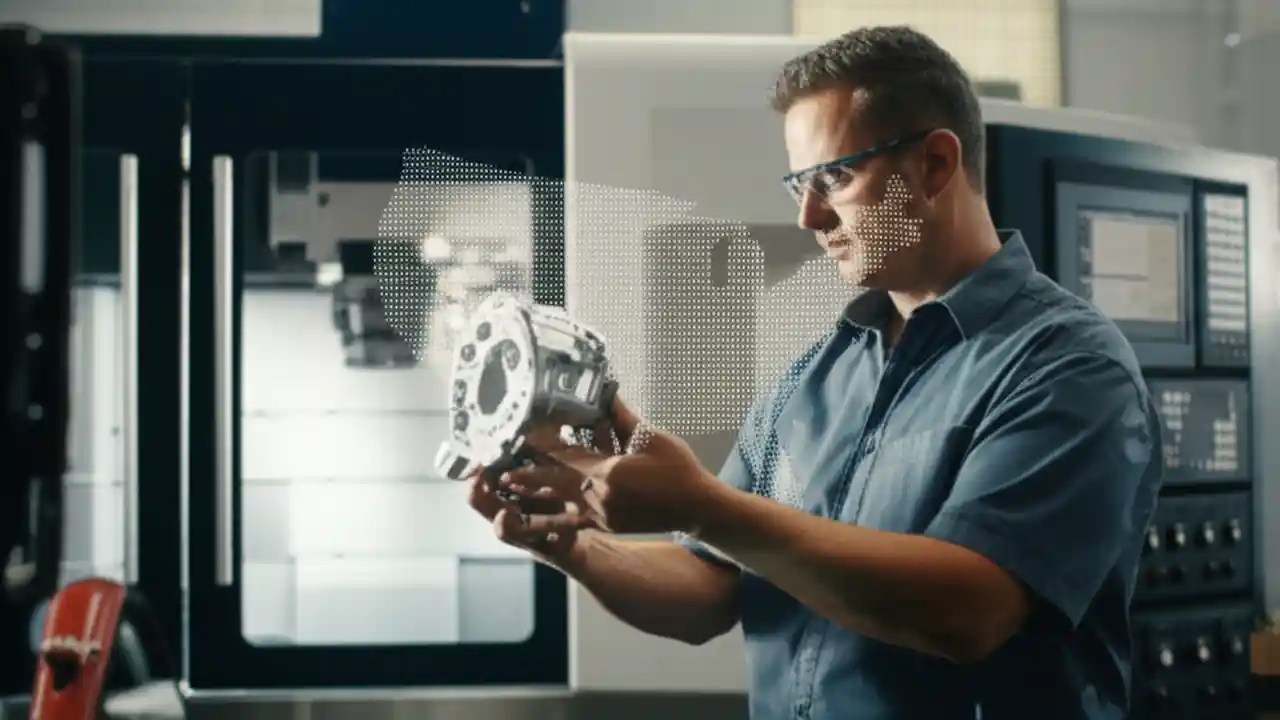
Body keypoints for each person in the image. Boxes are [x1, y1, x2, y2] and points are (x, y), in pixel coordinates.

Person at [466, 25, 1163, 720]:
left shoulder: (1068, 366)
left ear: (935, 165)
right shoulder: (816, 374)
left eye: (835, 176)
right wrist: (575, 548)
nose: (808, 215)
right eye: (800, 183)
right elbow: (714, 589)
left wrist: (700, 502)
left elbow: (967, 612)